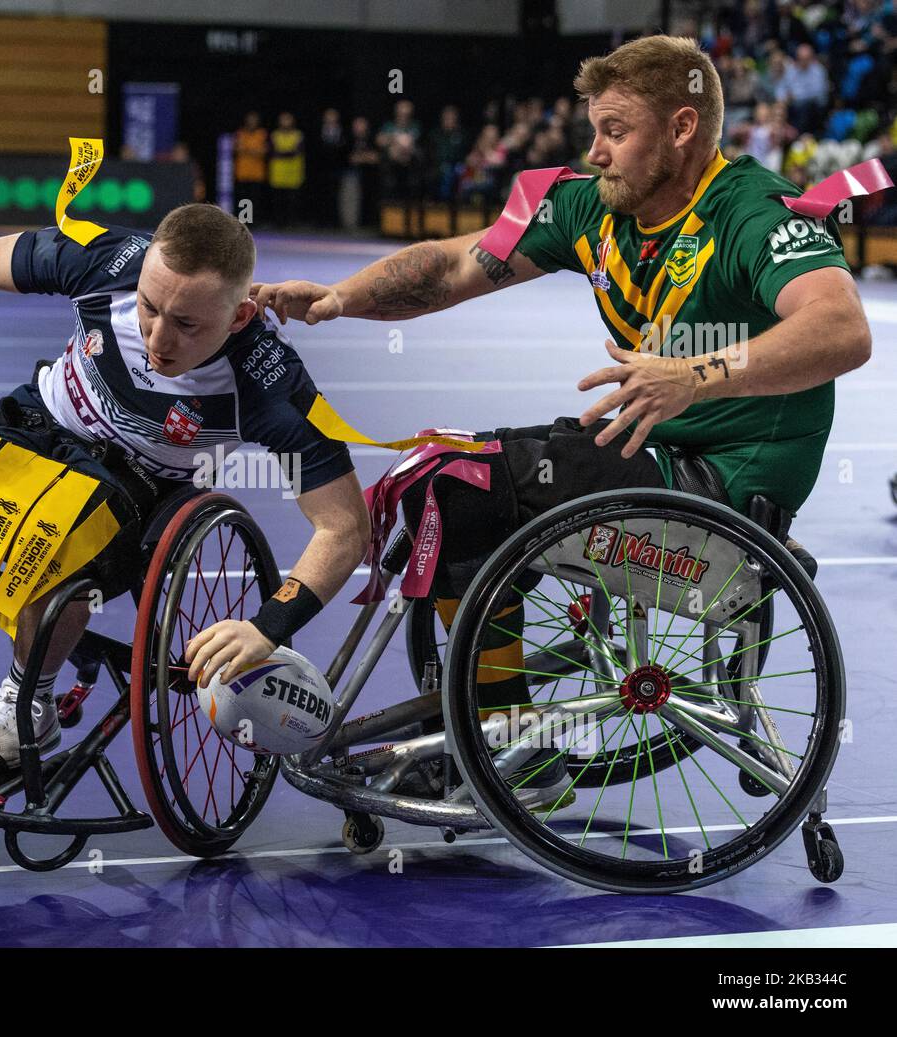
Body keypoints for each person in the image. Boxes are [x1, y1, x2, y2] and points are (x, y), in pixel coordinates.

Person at [251, 34, 872, 796]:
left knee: (459, 487)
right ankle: (503, 725)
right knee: (447, 469)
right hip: (646, 453)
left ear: (682, 127)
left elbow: (843, 328)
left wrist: (694, 375)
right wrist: (340, 298)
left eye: (616, 130)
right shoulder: (595, 209)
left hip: (723, 487)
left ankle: (513, 753)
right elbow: (454, 263)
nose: (596, 151)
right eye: (594, 130)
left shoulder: (751, 212)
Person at [0, 204, 370, 763]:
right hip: (42, 423)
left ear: (239, 317)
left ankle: (29, 702)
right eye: (149, 307)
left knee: (57, 560)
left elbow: (343, 527)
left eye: (186, 324)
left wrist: (267, 626)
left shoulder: (269, 383)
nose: (157, 337)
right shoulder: (109, 260)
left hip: (135, 485)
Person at [268, 111, 306, 228]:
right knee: (278, 199)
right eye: (283, 120)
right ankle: (278, 222)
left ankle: (292, 222)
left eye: (288, 119)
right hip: (278, 172)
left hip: (293, 172)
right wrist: (288, 152)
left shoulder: (298, 135)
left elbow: (297, 151)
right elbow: (272, 151)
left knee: (292, 200)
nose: (285, 122)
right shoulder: (274, 135)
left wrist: (281, 153)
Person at [233, 112, 270, 224]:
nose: (251, 122)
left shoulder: (262, 134)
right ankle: (244, 220)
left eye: (254, 120)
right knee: (243, 198)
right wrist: (253, 150)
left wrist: (247, 150)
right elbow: (236, 149)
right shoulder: (240, 133)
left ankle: (255, 221)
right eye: (250, 119)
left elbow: (264, 151)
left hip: (257, 173)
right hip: (242, 172)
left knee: (255, 199)